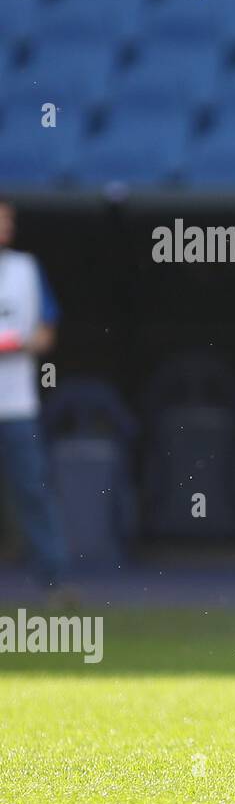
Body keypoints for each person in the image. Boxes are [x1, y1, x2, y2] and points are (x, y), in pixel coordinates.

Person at [0, 198, 69, 590]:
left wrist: (20, 345)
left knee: (32, 489)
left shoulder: (26, 269)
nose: (5, 227)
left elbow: (47, 330)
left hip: (16, 403)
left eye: (8, 220)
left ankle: (53, 580)